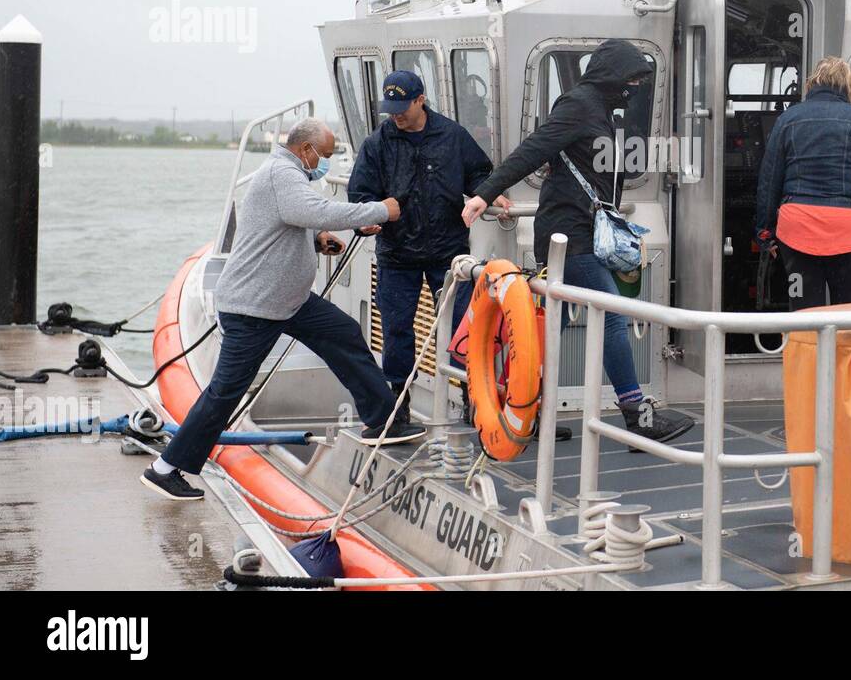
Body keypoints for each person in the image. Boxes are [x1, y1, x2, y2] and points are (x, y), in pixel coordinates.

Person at [142, 118, 417, 502]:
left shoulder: (286, 176)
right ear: (305, 151)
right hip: (255, 308)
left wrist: (317, 242)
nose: (325, 162)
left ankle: (382, 420)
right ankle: (165, 468)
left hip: (287, 302)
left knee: (345, 335)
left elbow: (292, 223)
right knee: (225, 394)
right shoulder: (281, 175)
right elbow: (319, 211)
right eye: (323, 155)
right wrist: (379, 210)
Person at [462, 39, 694, 444]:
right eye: (632, 78)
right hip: (570, 237)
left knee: (553, 325)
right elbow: (531, 152)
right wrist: (484, 193)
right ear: (612, 75)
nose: (636, 86)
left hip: (576, 232)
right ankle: (637, 417)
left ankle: (526, 411)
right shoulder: (580, 106)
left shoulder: (598, 107)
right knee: (612, 318)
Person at [348, 70, 509, 427]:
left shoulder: (453, 136)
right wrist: (365, 219)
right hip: (396, 255)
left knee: (464, 328)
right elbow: (360, 194)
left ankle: (473, 396)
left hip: (448, 255)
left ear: (421, 100)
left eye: (402, 107)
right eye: (390, 109)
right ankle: (397, 403)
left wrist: (489, 192)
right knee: (397, 331)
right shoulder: (377, 144)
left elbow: (479, 174)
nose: (396, 115)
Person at [755, 56, 851, 311]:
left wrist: (765, 233)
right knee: (848, 315)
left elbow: (769, 180)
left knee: (803, 314)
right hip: (848, 231)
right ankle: (844, 351)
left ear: (813, 83)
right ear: (847, 86)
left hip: (797, 229)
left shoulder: (788, 119)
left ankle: (807, 351)